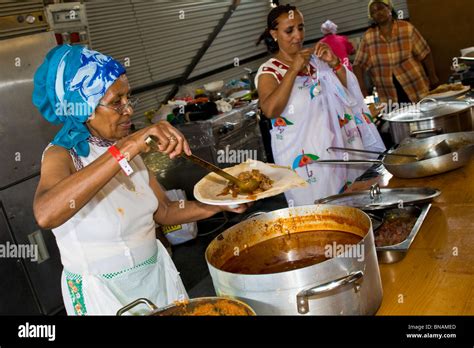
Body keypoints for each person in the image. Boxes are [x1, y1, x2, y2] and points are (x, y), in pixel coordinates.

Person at [32, 45, 249, 315]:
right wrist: (130, 145)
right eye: (116, 102)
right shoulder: (62, 153)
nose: (129, 110)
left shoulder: (124, 148)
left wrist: (220, 204)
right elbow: (46, 213)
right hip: (105, 294)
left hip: (155, 279)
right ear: (84, 107)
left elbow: (165, 211)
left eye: (128, 98)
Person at [256, 4, 385, 207]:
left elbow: (348, 94)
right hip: (303, 163)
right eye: (289, 30)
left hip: (339, 150)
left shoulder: (316, 62)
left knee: (355, 209)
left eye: (301, 27)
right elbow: (270, 110)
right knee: (319, 215)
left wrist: (334, 63)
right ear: (274, 34)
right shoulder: (269, 71)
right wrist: (293, 70)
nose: (298, 36)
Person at [353, 0, 439, 104]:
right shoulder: (369, 37)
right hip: (389, 97)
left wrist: (433, 76)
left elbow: (425, 52)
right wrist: (362, 90)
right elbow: (358, 65)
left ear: (389, 8)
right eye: (373, 12)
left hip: (416, 88)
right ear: (371, 17)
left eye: (380, 8)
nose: (378, 13)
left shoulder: (406, 28)